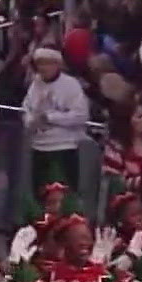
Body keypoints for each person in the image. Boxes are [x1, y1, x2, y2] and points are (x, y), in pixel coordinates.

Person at [23, 47, 91, 199]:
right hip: (39, 146)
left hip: (63, 146)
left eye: (47, 63)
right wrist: (31, 121)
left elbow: (81, 115)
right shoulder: (35, 84)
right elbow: (27, 108)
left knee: (66, 194)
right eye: (40, 63)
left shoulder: (71, 85)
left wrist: (50, 118)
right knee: (40, 193)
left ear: (57, 64)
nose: (43, 68)